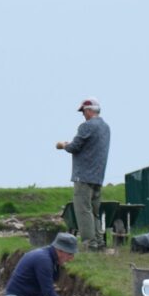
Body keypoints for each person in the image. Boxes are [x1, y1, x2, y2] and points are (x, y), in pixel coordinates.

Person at [4, 233, 89, 296]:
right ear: (60, 250)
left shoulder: (53, 260)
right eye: (70, 254)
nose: (71, 258)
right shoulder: (43, 260)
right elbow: (48, 293)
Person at [56, 99, 111, 251]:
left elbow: (74, 147)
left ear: (89, 110)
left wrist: (63, 145)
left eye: (83, 111)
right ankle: (99, 242)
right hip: (98, 176)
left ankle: (89, 244)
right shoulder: (106, 127)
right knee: (94, 211)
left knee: (83, 210)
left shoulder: (87, 126)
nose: (83, 115)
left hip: (83, 176)